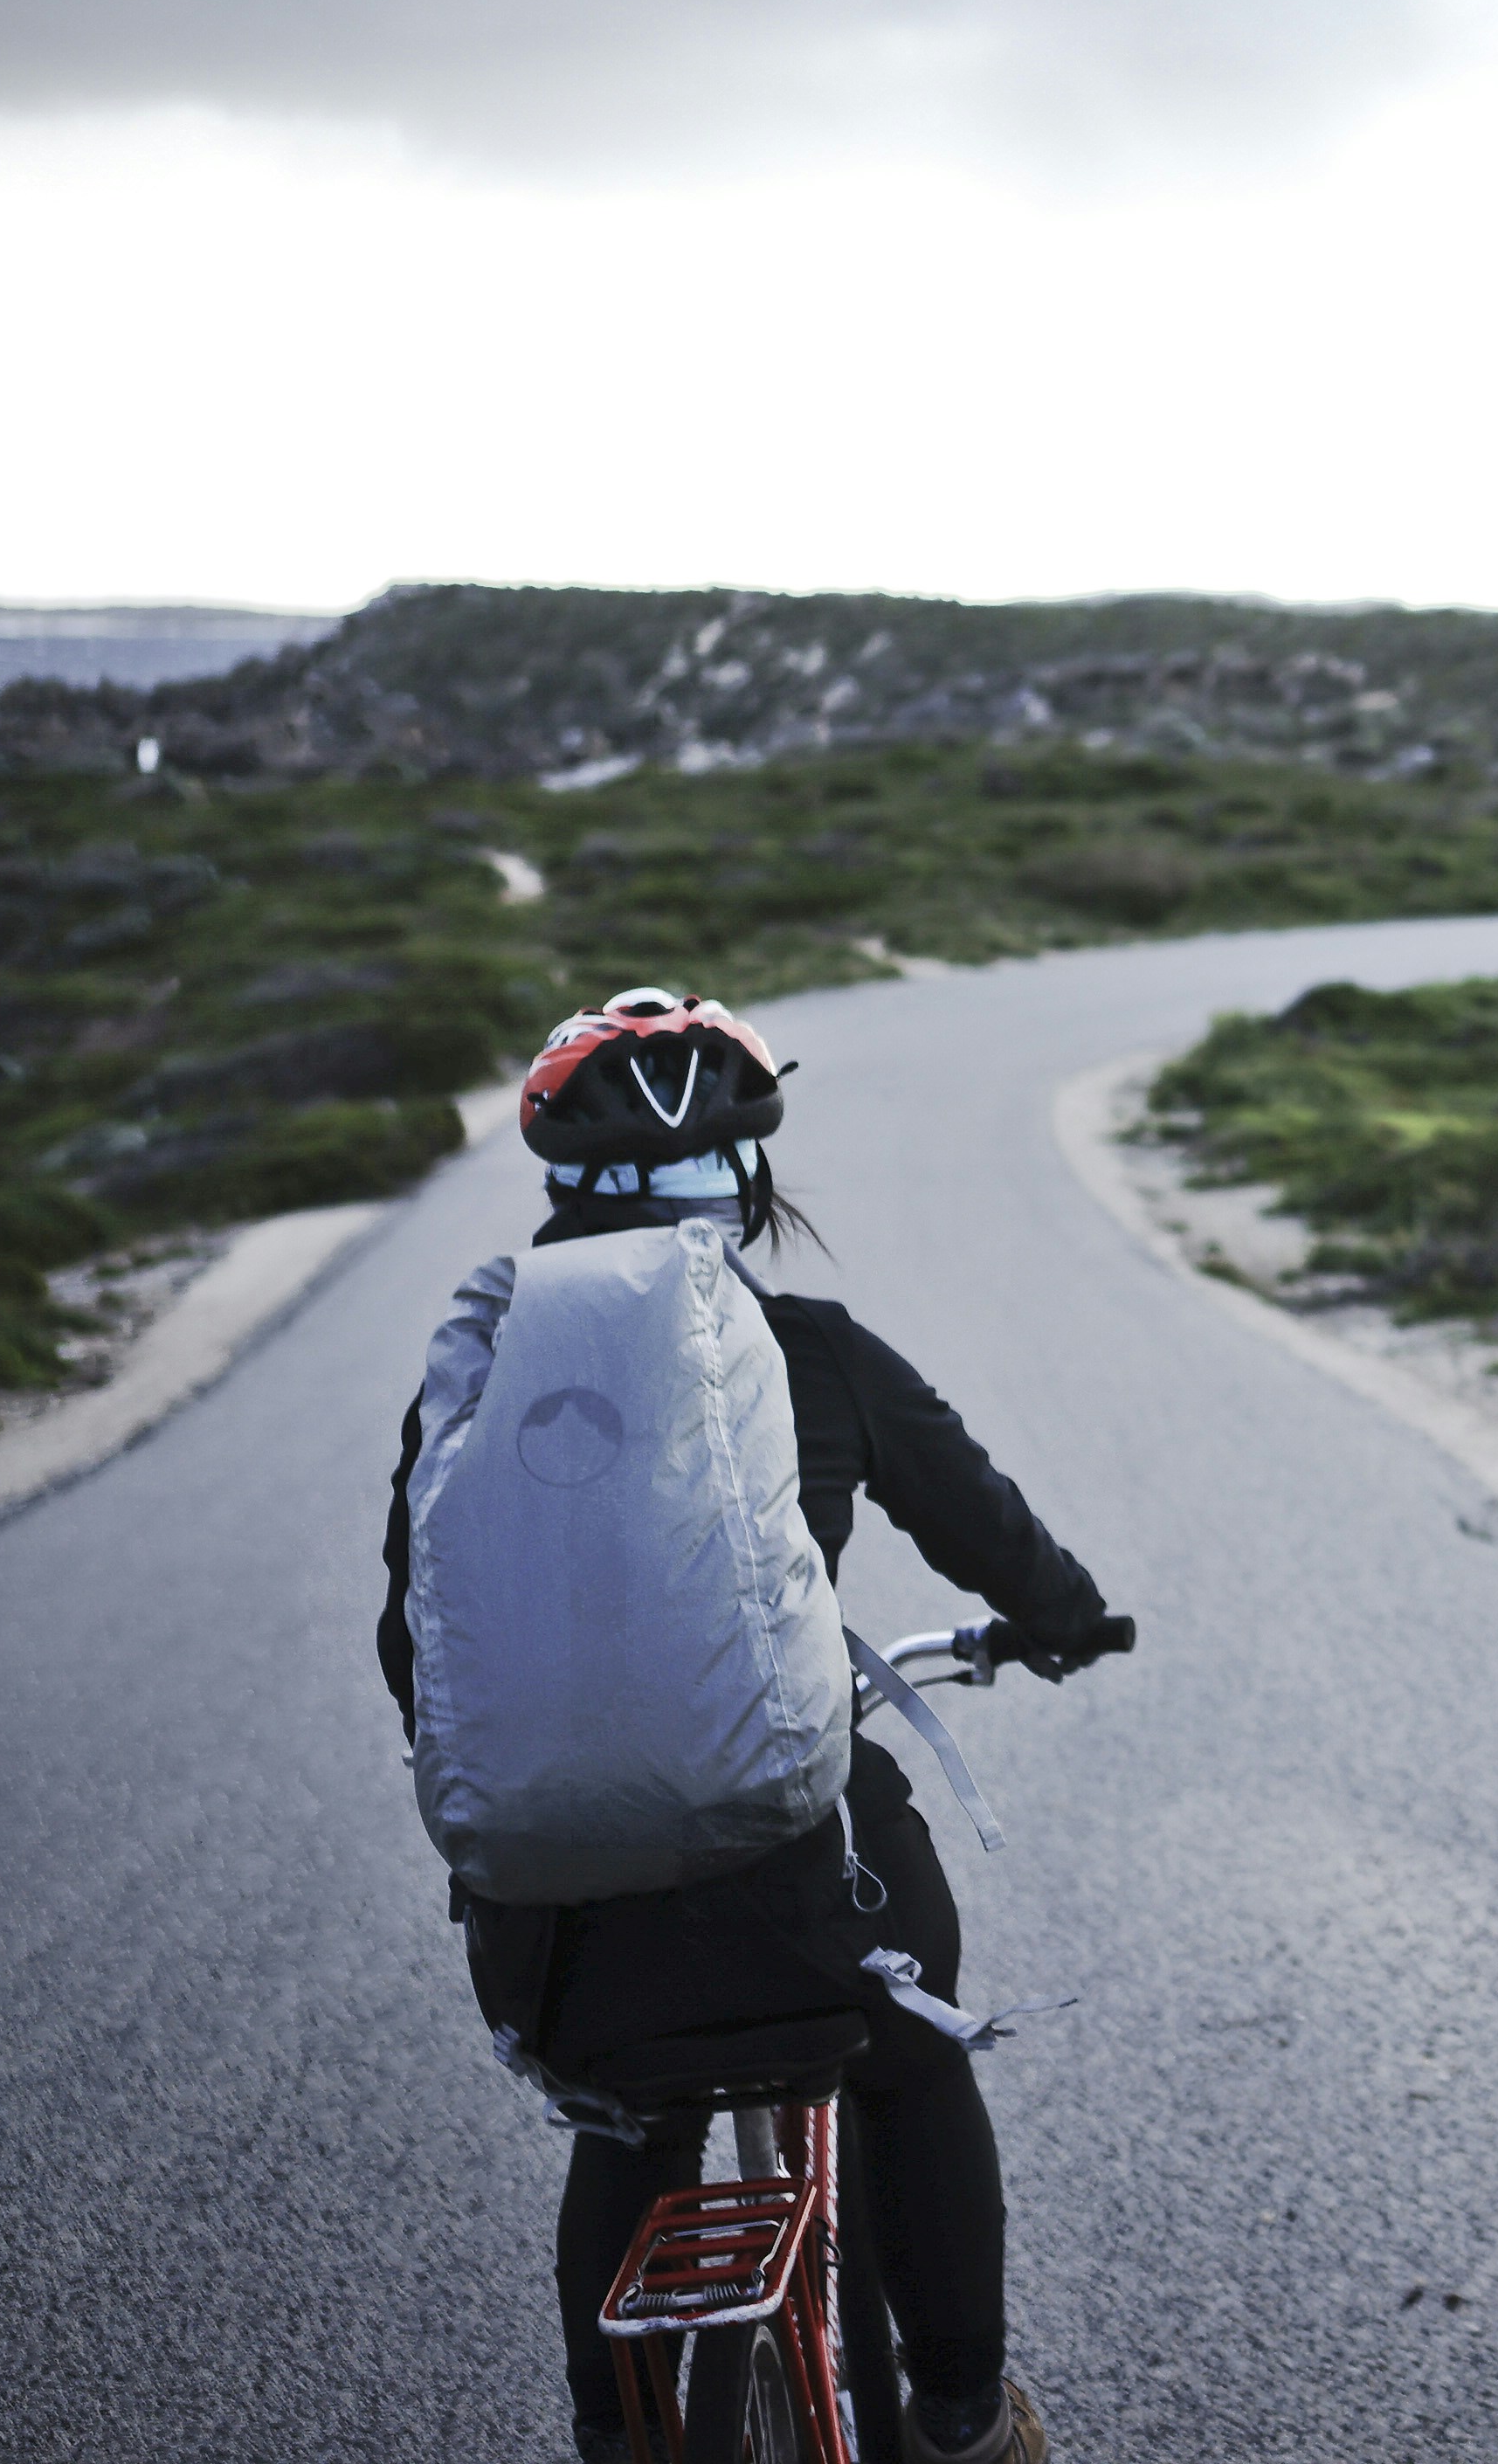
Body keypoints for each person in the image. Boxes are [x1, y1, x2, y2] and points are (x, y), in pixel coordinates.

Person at [381, 989, 1115, 2464]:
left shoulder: (474, 1391)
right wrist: (1064, 1620)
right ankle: (963, 2419)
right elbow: (995, 1535)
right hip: (806, 1900)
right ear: (748, 1190)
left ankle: (623, 2440)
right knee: (908, 2059)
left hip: (569, 1943)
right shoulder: (816, 1351)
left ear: (564, 1196)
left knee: (627, 2124)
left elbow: (417, 1650)